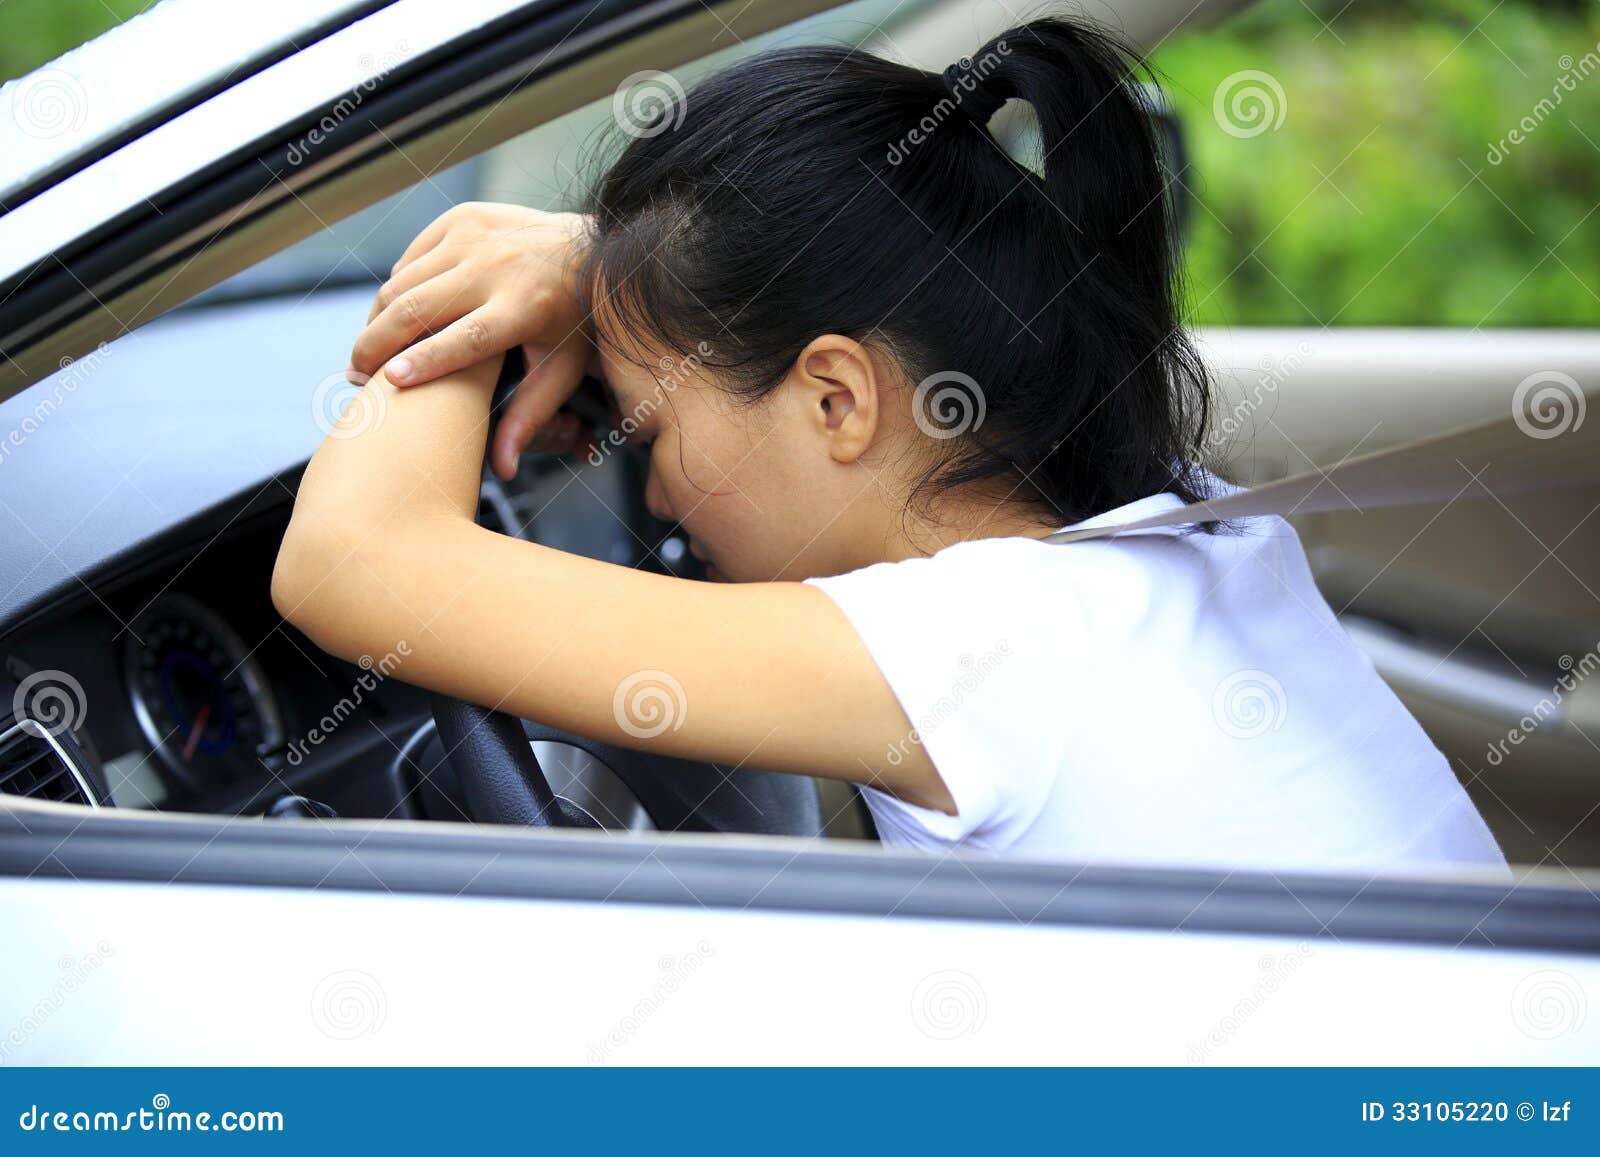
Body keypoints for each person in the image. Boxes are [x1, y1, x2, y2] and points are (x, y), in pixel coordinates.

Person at [276, 16, 1506, 872]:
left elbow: (353, 561)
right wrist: (605, 263)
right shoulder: (1193, 522)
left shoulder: (970, 652)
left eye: (652, 424)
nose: (647, 488)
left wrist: (480, 294)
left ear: (835, 402)